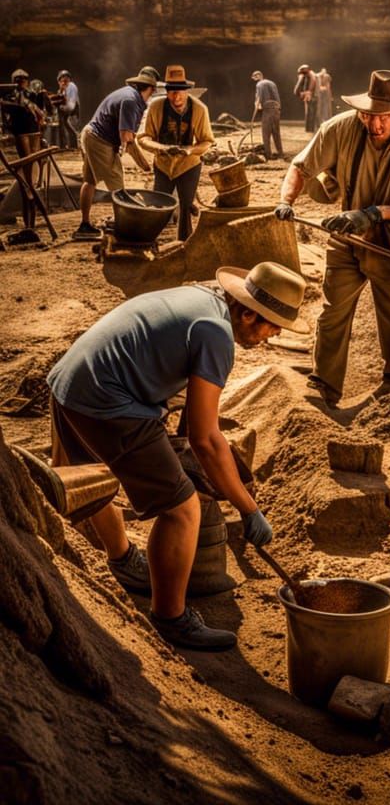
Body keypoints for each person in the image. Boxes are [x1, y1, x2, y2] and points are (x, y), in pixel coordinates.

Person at [43, 261, 308, 650]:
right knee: (183, 509)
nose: (276, 334)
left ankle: (123, 561)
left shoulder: (204, 299)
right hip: (106, 399)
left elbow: (190, 413)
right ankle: (170, 618)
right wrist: (248, 508)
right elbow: (207, 439)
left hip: (71, 378)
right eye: (272, 324)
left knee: (88, 476)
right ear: (248, 312)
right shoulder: (216, 334)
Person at [275, 70, 390, 406]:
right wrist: (285, 201)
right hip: (347, 239)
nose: (375, 126)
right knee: (332, 311)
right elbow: (301, 167)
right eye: (368, 116)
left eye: (384, 118)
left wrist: (377, 213)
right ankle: (324, 383)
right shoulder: (340, 129)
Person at [75, 65, 159, 241]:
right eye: (154, 90)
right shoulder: (131, 101)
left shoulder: (128, 94)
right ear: (151, 88)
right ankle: (123, 227)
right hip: (99, 139)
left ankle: (84, 226)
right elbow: (126, 138)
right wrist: (143, 163)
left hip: (90, 134)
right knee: (117, 184)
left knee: (90, 181)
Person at [137, 65, 214, 242]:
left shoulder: (199, 109)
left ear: (187, 92)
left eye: (180, 92)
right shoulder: (156, 107)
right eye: (172, 92)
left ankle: (185, 245)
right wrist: (162, 148)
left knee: (186, 207)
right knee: (158, 206)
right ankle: (148, 243)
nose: (176, 96)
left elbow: (207, 141)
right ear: (167, 92)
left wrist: (190, 151)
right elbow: (143, 138)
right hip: (163, 166)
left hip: (189, 166)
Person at [0, 69, 46, 237]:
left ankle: (32, 219)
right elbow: (6, 107)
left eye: (24, 79)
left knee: (34, 174)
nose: (21, 81)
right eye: (18, 79)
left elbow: (42, 111)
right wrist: (22, 105)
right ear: (14, 81)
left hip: (34, 133)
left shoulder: (31, 94)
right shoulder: (9, 97)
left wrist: (39, 101)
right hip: (21, 133)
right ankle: (29, 221)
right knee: (26, 176)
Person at [251, 70, 282, 160]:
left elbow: (258, 101)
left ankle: (268, 155)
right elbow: (277, 96)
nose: (255, 79)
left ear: (258, 76)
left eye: (255, 77)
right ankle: (280, 153)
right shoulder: (272, 83)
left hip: (267, 109)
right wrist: (279, 108)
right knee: (276, 132)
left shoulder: (259, 84)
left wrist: (256, 108)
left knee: (266, 133)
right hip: (276, 108)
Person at [56, 69, 80, 150]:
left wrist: (61, 107)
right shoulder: (61, 90)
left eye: (66, 79)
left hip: (71, 114)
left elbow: (71, 105)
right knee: (67, 130)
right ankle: (67, 146)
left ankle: (73, 147)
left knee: (72, 130)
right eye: (62, 80)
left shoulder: (71, 86)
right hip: (66, 114)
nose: (64, 82)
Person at [294, 63, 318, 133]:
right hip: (311, 95)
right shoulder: (310, 75)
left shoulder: (311, 75)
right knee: (310, 112)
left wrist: (308, 92)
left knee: (310, 112)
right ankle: (309, 128)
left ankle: (310, 129)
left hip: (311, 96)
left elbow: (296, 90)